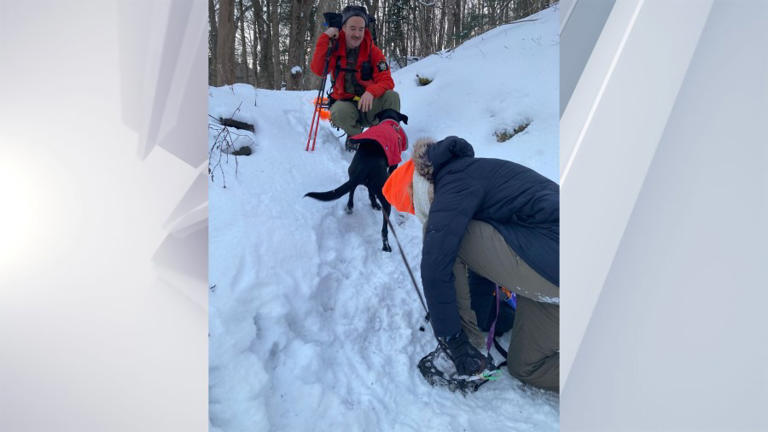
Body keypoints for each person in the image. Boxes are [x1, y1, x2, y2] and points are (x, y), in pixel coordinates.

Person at [382, 136, 560, 392]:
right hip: (564, 273)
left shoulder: (454, 180)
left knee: (442, 239)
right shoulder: (470, 177)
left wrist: (454, 340)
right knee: (527, 367)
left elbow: (436, 264)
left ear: (416, 188)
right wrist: (483, 314)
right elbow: (487, 257)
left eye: (413, 208)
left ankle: (464, 347)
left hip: (557, 255)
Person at [310, 5, 400, 151]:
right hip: (346, 105)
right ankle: (354, 136)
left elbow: (387, 81)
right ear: (343, 28)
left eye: (361, 29)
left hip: (369, 105)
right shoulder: (335, 48)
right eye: (352, 28)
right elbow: (319, 70)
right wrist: (325, 38)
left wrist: (371, 92)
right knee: (339, 112)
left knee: (392, 97)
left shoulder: (373, 51)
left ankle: (385, 137)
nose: (357, 34)